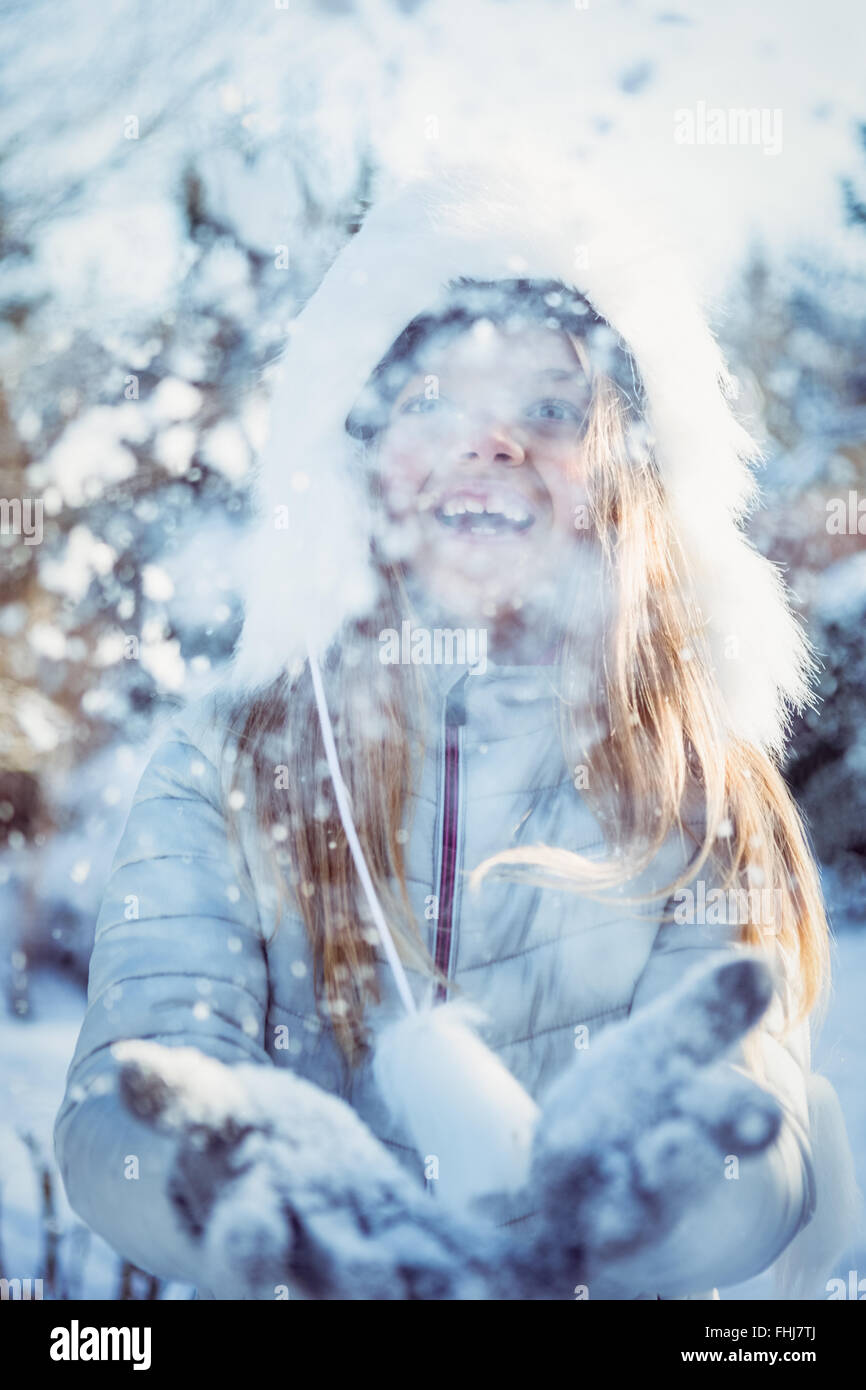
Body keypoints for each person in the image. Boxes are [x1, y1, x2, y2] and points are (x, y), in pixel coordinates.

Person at [54, 165, 857, 1300]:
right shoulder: (227, 766)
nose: (491, 445)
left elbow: (758, 1140)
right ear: (353, 462)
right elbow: (122, 1100)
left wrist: (626, 1217)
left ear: (623, 479)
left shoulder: (695, 786)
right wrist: (248, 1197)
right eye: (431, 398)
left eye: (547, 407)